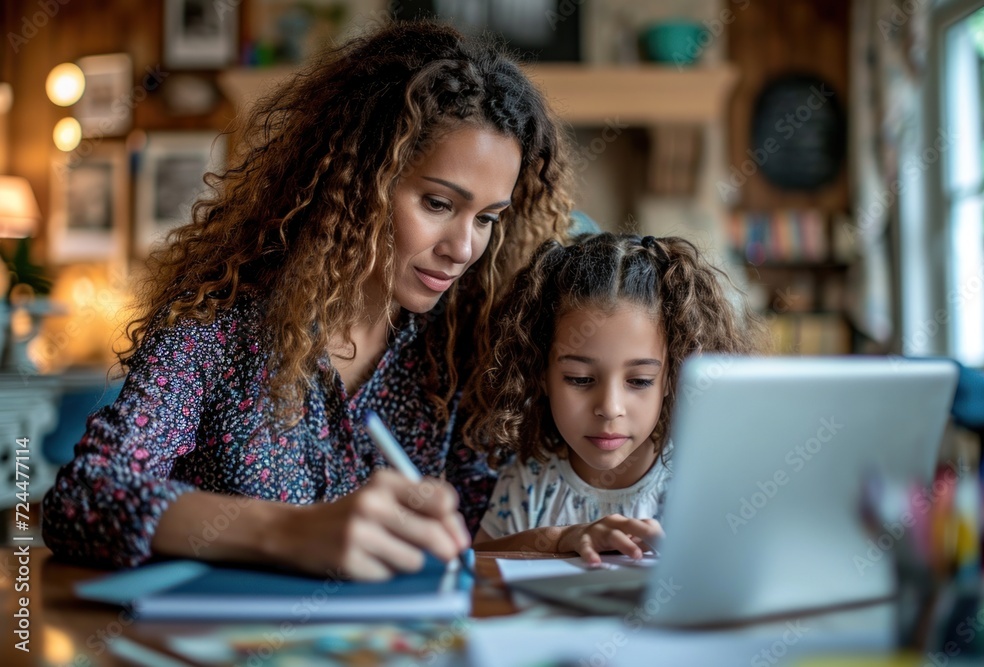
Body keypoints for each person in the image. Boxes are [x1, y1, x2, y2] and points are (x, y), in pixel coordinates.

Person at [41, 20, 574, 580]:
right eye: (439, 204)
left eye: (488, 218)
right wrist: (288, 531)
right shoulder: (217, 333)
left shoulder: (461, 346)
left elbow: (460, 555)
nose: (464, 248)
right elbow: (84, 499)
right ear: (361, 180)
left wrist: (551, 547)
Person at [464, 233, 766, 564]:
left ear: (672, 377)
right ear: (540, 374)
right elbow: (473, 566)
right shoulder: (530, 478)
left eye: (639, 381)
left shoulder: (698, 477)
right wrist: (561, 538)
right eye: (580, 379)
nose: (610, 408)